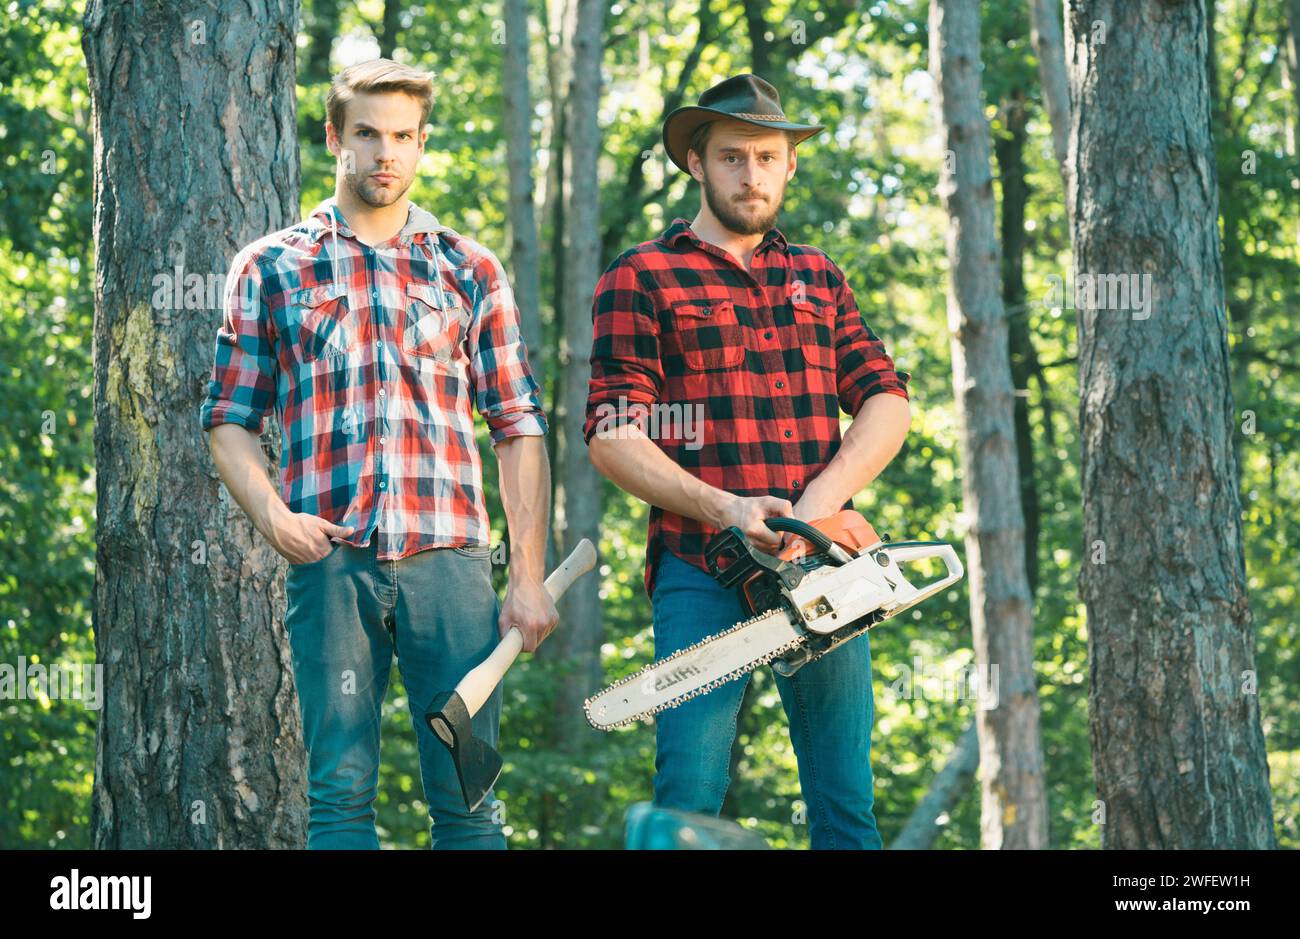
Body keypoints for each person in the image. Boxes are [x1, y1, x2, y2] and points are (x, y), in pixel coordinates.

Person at [200, 59, 557, 849]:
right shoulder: (271, 265)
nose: (384, 153)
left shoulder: (468, 268)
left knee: (470, 800)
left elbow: (519, 424)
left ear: (423, 144)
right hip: (332, 565)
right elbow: (228, 418)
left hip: (453, 567)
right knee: (338, 797)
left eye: (402, 136)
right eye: (366, 134)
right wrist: (273, 517)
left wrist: (527, 574)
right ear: (335, 138)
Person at [583, 73, 912, 849]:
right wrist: (726, 508)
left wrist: (821, 502)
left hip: (824, 565)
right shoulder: (642, 276)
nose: (752, 174)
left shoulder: (819, 277)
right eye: (733, 157)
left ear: (789, 163)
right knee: (690, 790)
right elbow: (612, 433)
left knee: (844, 801)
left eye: (767, 156)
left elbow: (886, 399)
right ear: (697, 162)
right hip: (702, 566)